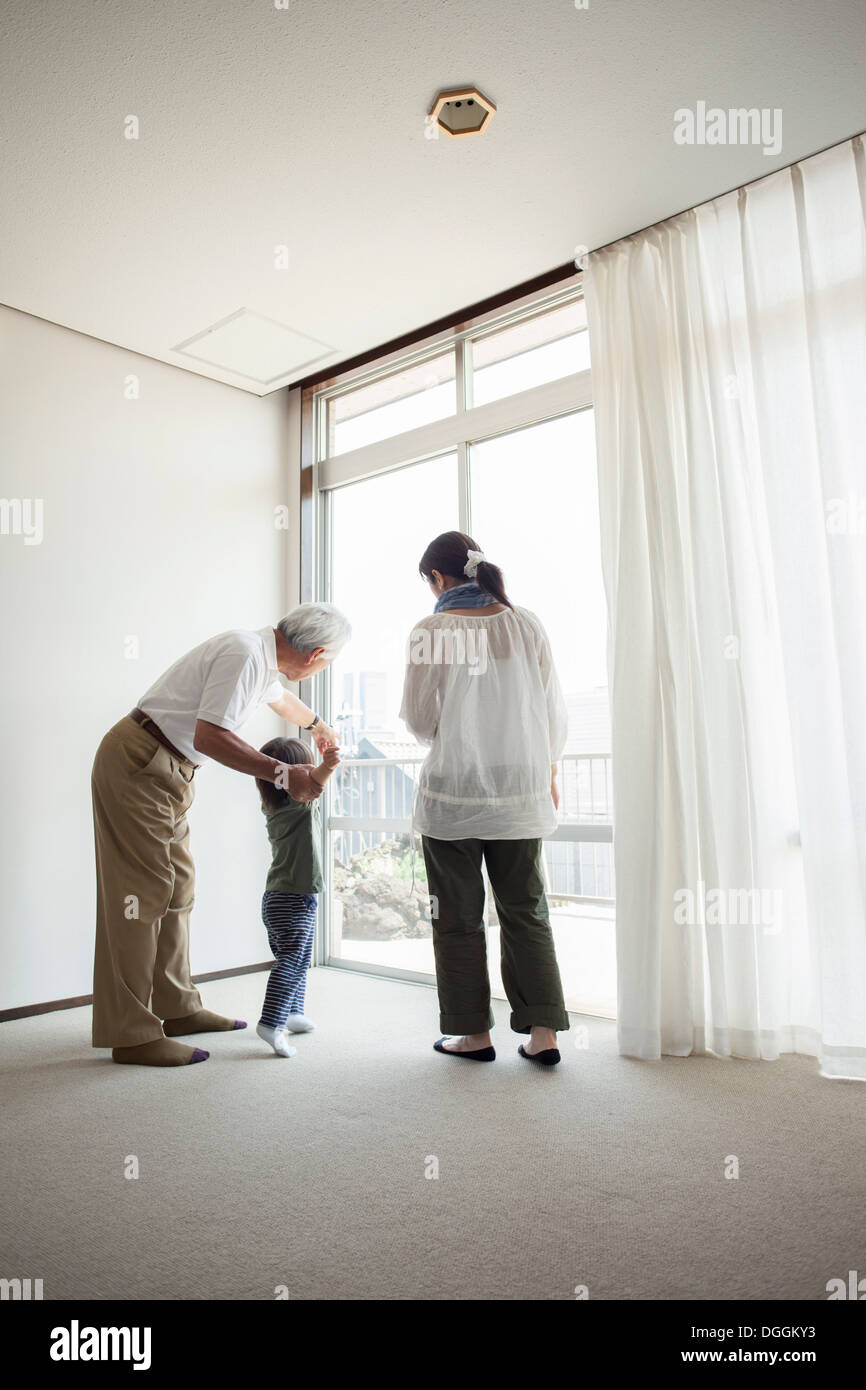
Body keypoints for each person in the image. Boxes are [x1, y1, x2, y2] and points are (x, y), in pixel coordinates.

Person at [91, 603, 350, 1068]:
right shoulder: (245, 652)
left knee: (178, 890)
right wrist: (285, 774)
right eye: (331, 661)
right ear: (315, 655)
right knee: (140, 896)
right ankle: (131, 1034)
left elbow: (280, 701)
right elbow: (211, 736)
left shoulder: (261, 660)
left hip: (170, 769)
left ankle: (177, 1008)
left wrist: (318, 727)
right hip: (140, 760)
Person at [399, 531, 569, 1066]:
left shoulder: (431, 629)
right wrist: (545, 770)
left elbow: (421, 720)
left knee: (456, 917)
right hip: (520, 791)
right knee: (527, 913)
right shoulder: (525, 623)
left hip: (455, 792)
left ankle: (473, 1035)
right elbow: (552, 713)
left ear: (437, 579)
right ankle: (544, 1037)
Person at [254, 736, 339, 1058]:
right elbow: (314, 782)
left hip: (279, 898)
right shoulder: (296, 801)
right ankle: (271, 1023)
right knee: (292, 960)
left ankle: (292, 1012)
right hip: (292, 898)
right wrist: (327, 765)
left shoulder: (273, 804)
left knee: (297, 958)